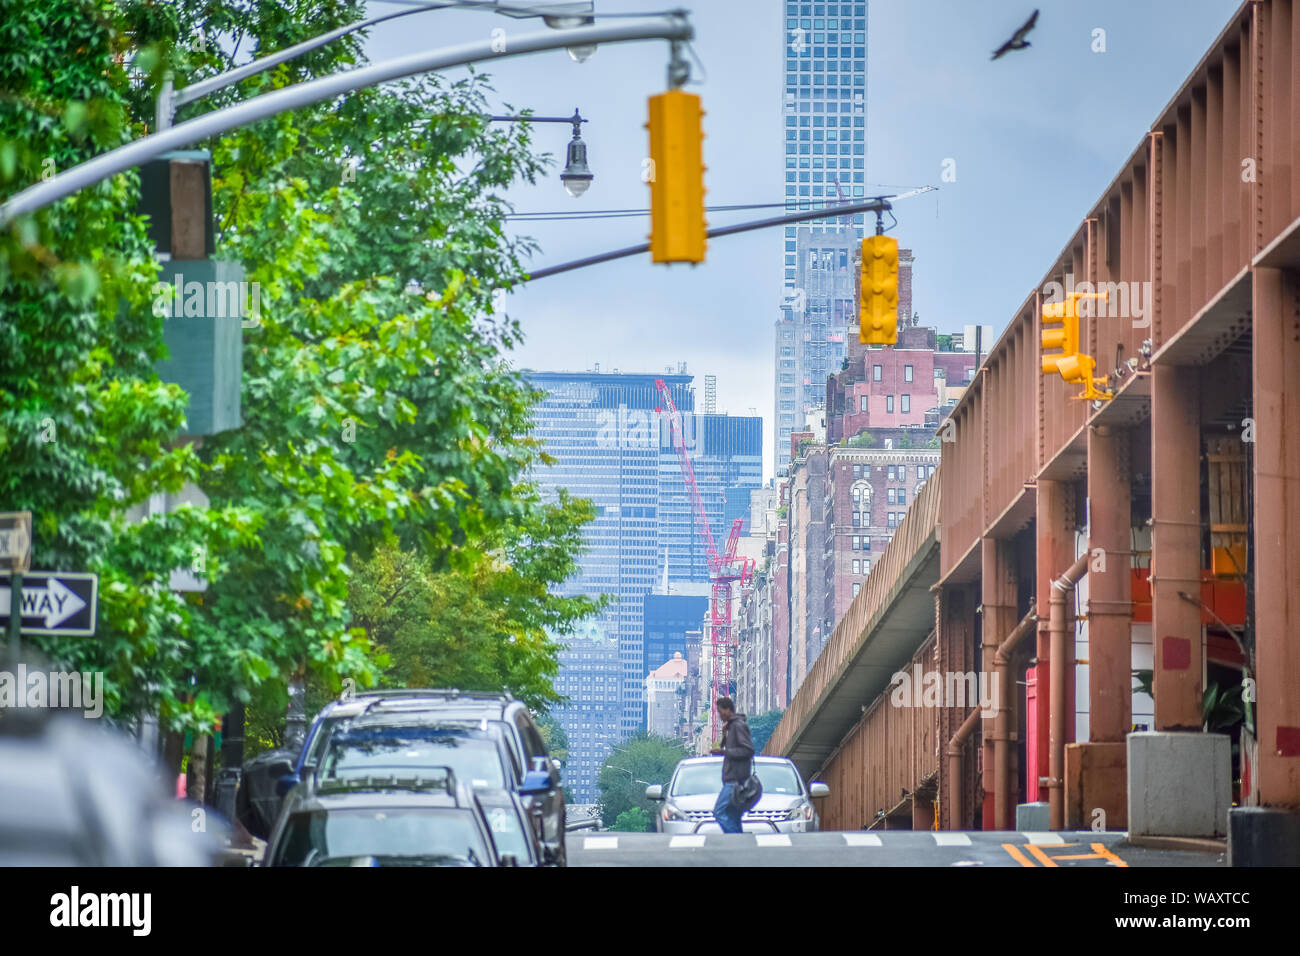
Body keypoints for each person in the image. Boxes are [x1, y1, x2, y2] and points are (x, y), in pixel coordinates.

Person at [710, 696, 753, 834]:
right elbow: (729, 747)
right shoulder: (731, 727)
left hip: (735, 780)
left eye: (720, 711)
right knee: (733, 816)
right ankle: (739, 844)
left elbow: (747, 750)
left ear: (728, 710)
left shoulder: (738, 726)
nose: (719, 715)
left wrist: (725, 752)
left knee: (719, 811)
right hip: (732, 779)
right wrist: (724, 735)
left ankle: (736, 837)